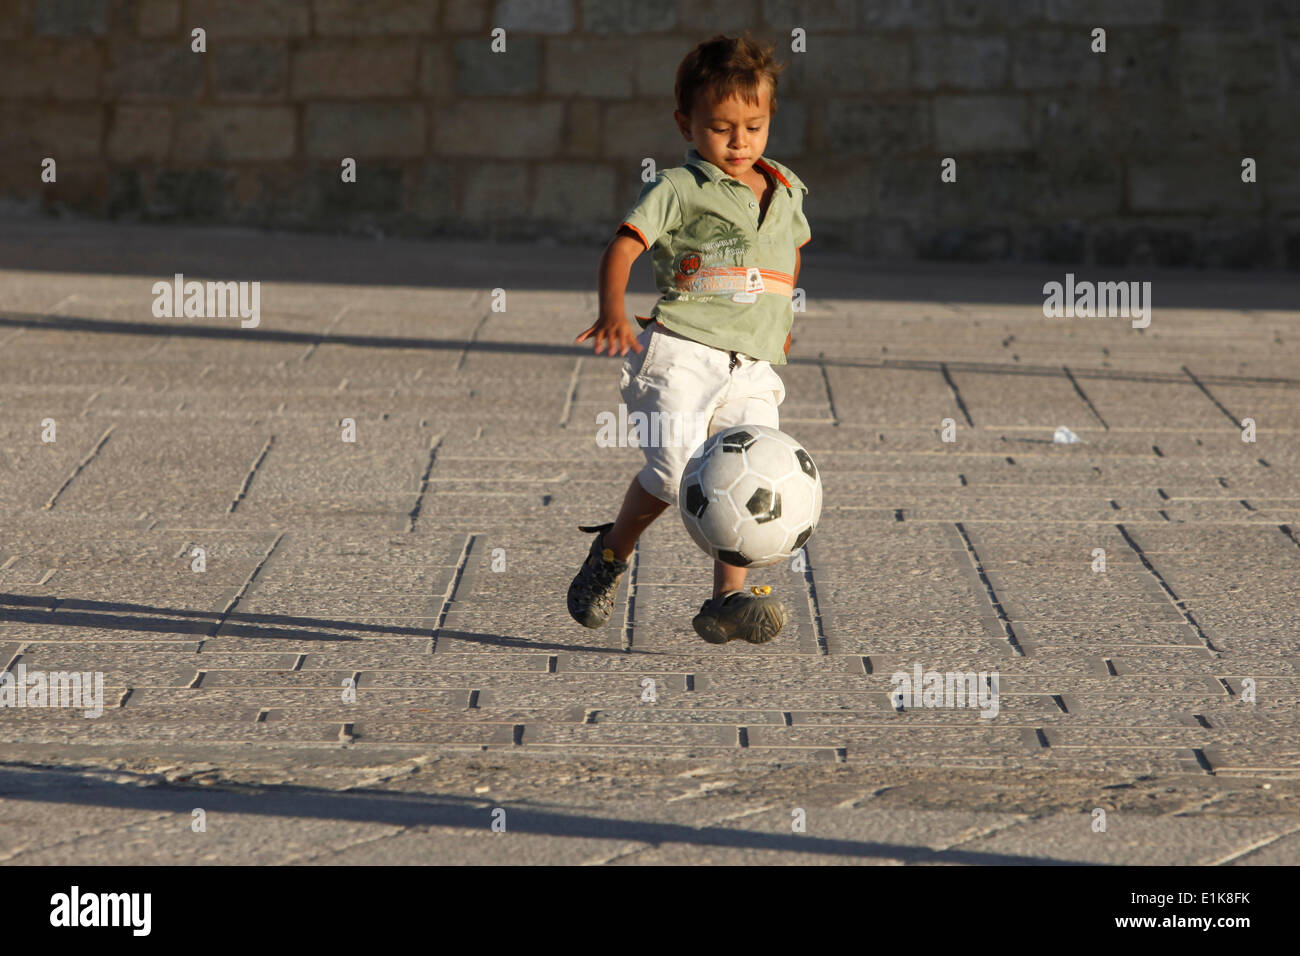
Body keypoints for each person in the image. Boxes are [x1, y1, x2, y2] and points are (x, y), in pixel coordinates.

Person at [570, 32, 811, 645]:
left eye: (752, 127)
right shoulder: (677, 189)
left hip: (753, 364)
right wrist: (613, 312)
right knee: (678, 470)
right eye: (720, 127)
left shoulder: (785, 186)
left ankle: (727, 599)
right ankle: (611, 554)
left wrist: (779, 322)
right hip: (681, 351)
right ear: (686, 125)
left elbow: (791, 252)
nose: (738, 142)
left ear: (769, 122)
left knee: (747, 470)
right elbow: (622, 247)